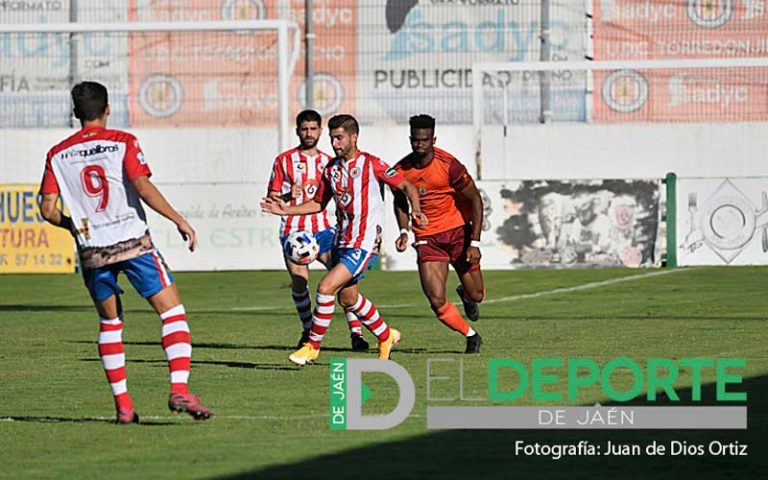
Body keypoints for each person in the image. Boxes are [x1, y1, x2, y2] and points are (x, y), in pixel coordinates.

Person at [38, 81, 212, 424]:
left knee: (111, 322)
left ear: (76, 114)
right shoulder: (123, 142)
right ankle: (179, 388)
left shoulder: (57, 154)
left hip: (93, 249)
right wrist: (179, 220)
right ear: (107, 109)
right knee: (172, 313)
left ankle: (124, 407)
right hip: (133, 242)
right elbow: (142, 186)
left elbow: (47, 208)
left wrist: (75, 227)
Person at [261, 114, 427, 365]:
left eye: (339, 138)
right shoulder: (332, 169)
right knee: (348, 299)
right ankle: (385, 335)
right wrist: (286, 210)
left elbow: (407, 187)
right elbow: (317, 203)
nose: (335, 143)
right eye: (332, 138)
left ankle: (312, 346)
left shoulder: (373, 164)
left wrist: (416, 211)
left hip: (365, 242)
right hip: (342, 240)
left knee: (325, 287)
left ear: (354, 137)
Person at [267, 109, 369, 351]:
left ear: (321, 131)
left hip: (323, 231)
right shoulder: (284, 161)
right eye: (305, 129)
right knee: (300, 284)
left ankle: (356, 333)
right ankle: (308, 330)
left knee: (344, 279)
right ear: (298, 131)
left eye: (314, 129)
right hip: (294, 232)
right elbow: (272, 196)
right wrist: (286, 195)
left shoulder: (329, 161)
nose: (309, 133)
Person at [392, 114, 485, 353]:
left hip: (458, 233)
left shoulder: (449, 165)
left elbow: (475, 199)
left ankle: (466, 295)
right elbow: (400, 201)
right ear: (410, 139)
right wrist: (403, 230)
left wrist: (474, 242)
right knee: (435, 299)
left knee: (477, 295)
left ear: (433, 139)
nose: (419, 145)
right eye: (415, 140)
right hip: (427, 237)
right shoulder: (401, 170)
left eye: (424, 140)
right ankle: (470, 335)